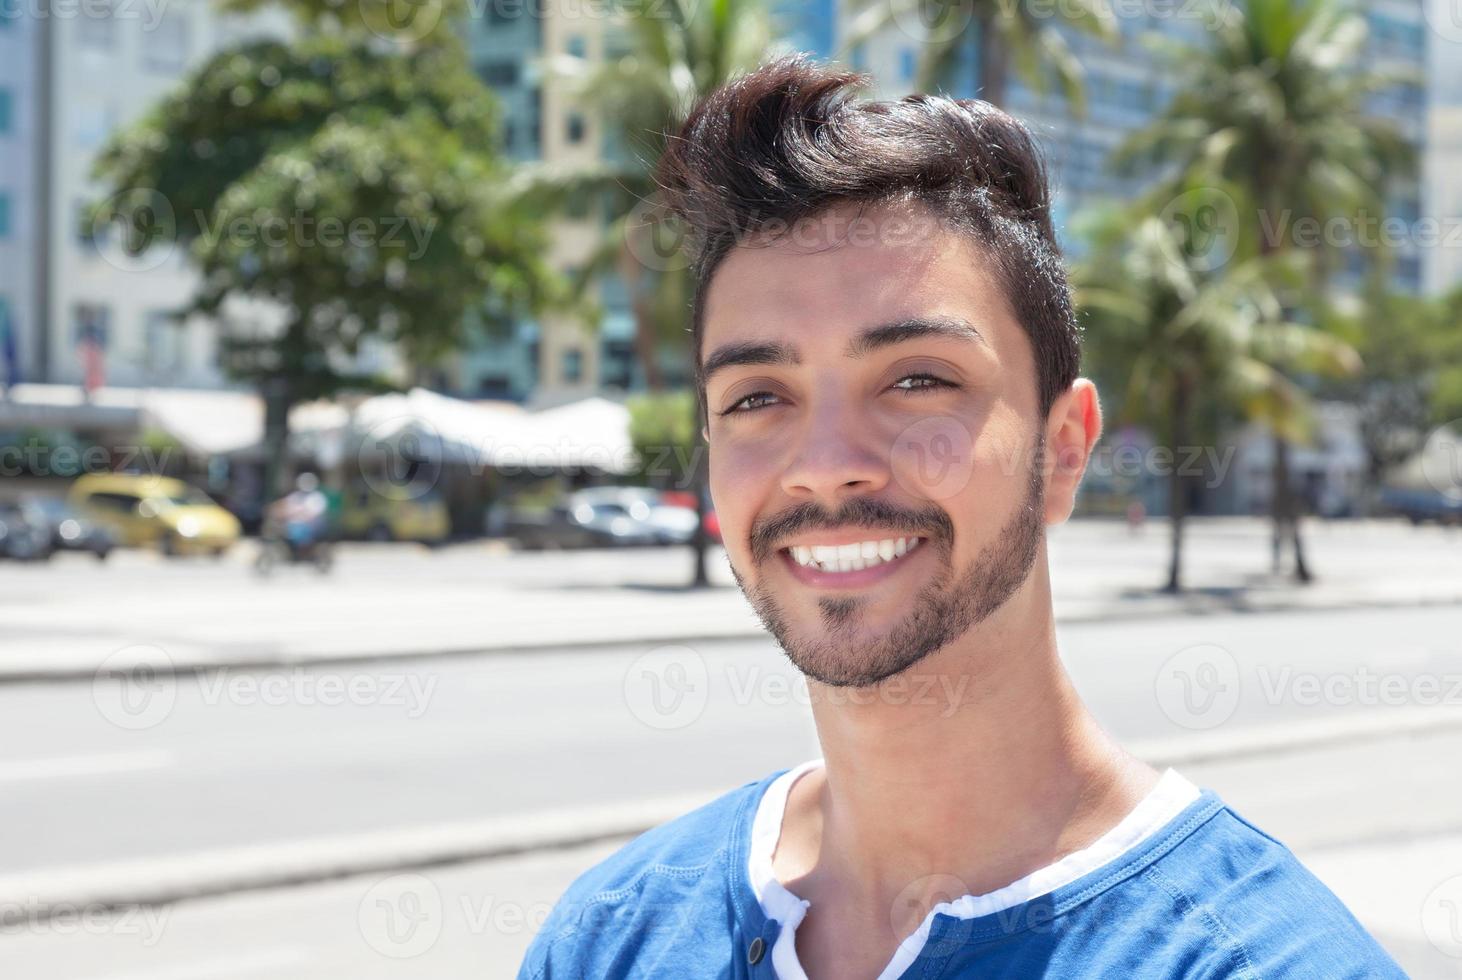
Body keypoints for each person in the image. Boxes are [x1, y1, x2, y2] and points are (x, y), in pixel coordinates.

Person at [519, 57, 1403, 979]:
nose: (824, 467)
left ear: (1064, 448)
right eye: (756, 397)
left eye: (916, 381)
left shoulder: (1256, 962)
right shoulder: (611, 936)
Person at [269, 472, 328, 555]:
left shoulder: (317, 497)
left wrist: (299, 514)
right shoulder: (296, 495)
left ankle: (302, 551)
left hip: (310, 527)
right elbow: (283, 505)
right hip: (292, 525)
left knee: (299, 531)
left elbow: (314, 515)